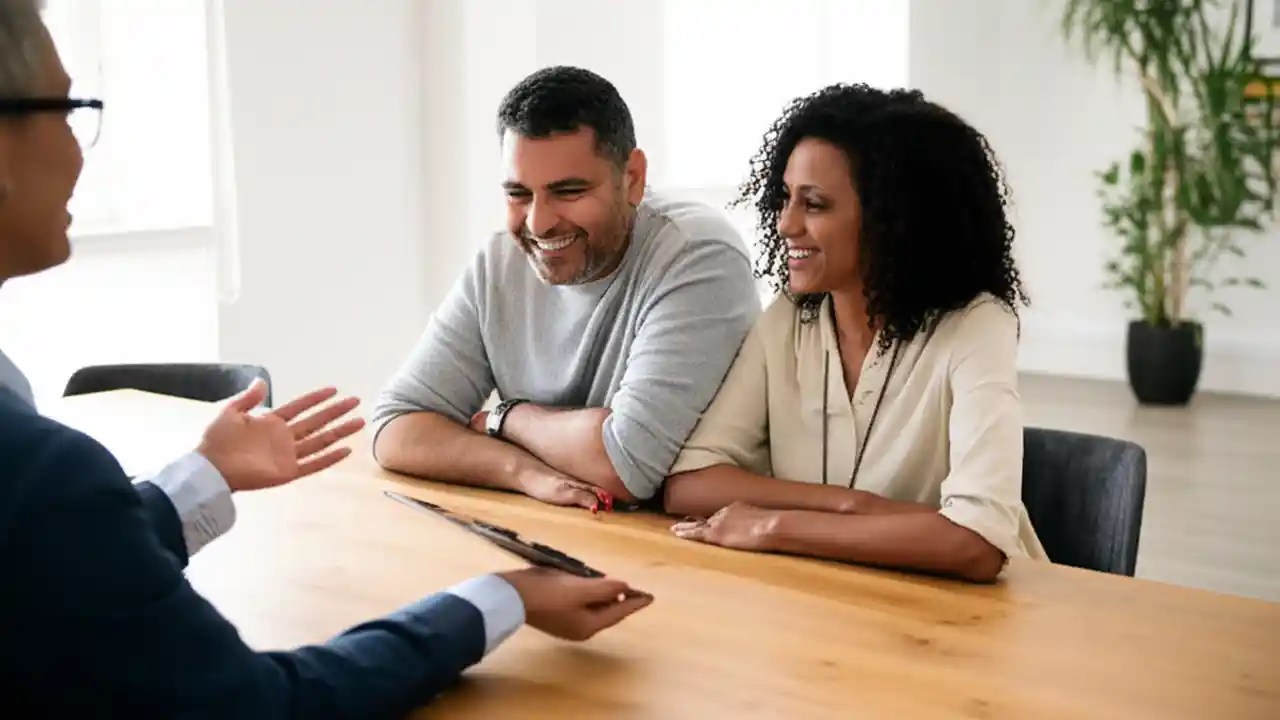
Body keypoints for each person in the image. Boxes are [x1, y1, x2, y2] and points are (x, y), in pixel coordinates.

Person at [0, 3, 651, 716]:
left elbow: (61, 560)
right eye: (67, 110)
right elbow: (269, 706)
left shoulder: (47, 488)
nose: (79, 149)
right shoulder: (46, 475)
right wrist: (497, 596)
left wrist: (201, 478)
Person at [664, 84, 1049, 582]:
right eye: (786, 198)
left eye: (815, 204)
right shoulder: (789, 317)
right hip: (834, 606)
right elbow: (691, 483)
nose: (785, 223)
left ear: (894, 220)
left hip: (979, 622)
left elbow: (975, 544)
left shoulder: (976, 324)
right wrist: (849, 507)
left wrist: (775, 526)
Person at [372, 65, 760, 510]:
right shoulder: (499, 262)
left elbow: (626, 466)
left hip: (695, 546)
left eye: (569, 191)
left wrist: (506, 417)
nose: (539, 222)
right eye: (519, 194)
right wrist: (522, 472)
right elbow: (396, 427)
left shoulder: (697, 253)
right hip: (567, 530)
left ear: (632, 178)